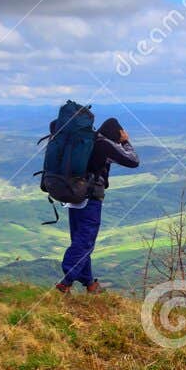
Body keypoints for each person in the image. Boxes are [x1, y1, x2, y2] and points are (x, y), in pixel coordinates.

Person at [57, 117, 139, 293]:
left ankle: (89, 284)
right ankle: (66, 281)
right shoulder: (104, 144)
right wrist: (126, 142)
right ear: (116, 133)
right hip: (90, 198)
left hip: (73, 195)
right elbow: (133, 161)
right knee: (85, 242)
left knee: (81, 239)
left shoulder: (86, 141)